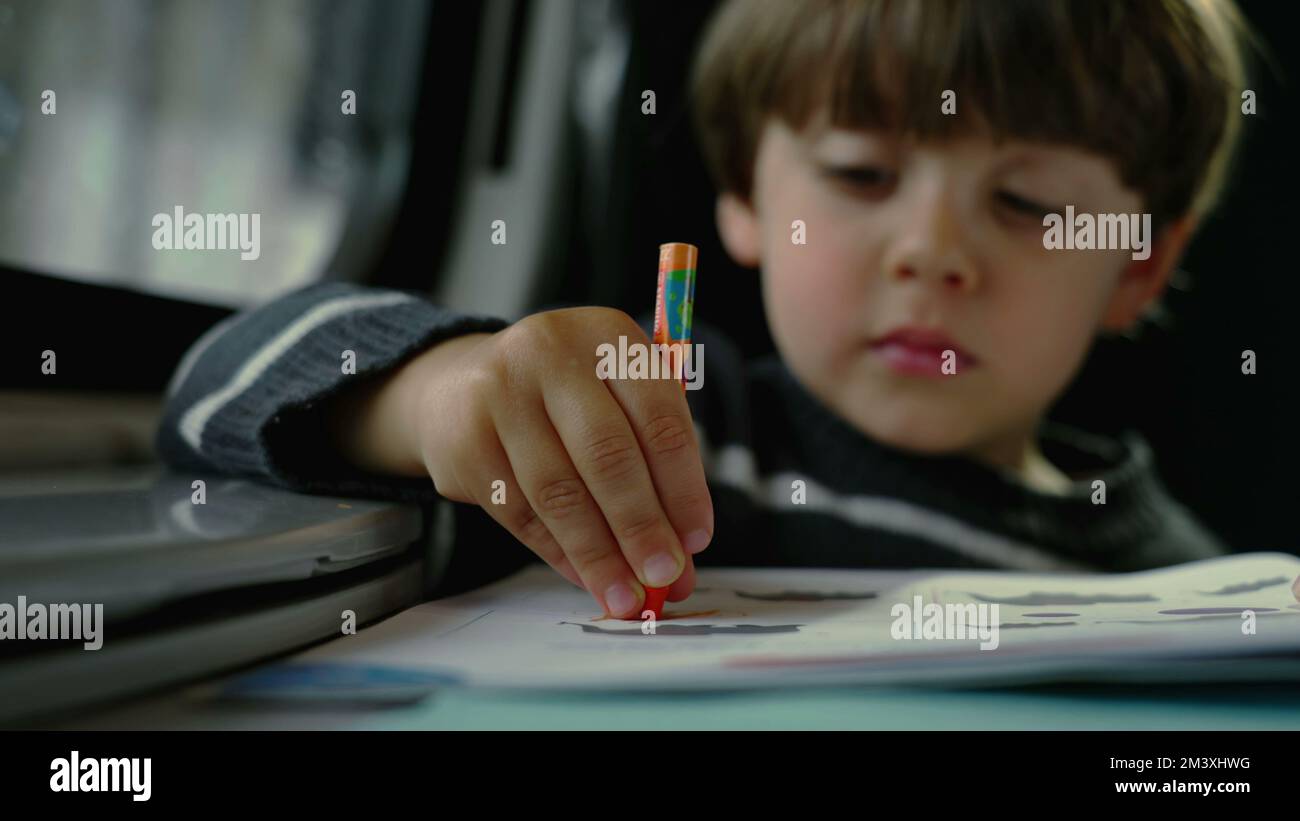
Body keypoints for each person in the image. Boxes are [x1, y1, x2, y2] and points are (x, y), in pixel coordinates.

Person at [157, 0, 1251, 619]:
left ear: (1136, 269)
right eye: (861, 175)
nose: (932, 253)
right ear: (741, 196)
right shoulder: (635, 450)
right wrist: (442, 390)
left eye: (1024, 203)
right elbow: (208, 391)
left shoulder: (1192, 590)